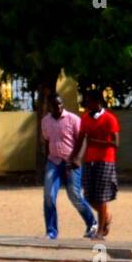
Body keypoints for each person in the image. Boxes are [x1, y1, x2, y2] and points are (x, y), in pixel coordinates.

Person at [40, 94, 96, 240]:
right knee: (48, 196)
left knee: (74, 195)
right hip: (53, 162)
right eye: (55, 105)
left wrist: (78, 159)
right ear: (50, 107)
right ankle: (51, 231)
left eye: (60, 104)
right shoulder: (45, 121)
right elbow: (47, 141)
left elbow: (83, 140)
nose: (58, 107)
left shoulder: (73, 119)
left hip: (71, 163)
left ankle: (92, 223)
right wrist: (48, 158)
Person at [78, 88, 120, 239]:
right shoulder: (85, 119)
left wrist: (95, 142)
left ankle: (100, 231)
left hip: (105, 160)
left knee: (101, 197)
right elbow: (81, 138)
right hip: (89, 161)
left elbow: (115, 143)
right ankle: (106, 216)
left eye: (89, 100)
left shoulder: (110, 119)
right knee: (88, 196)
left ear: (97, 102)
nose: (86, 103)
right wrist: (75, 157)